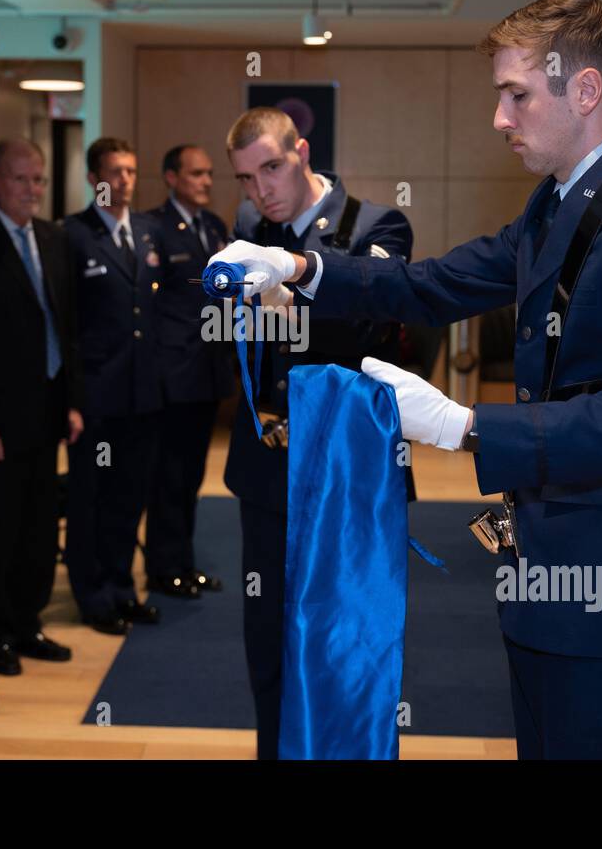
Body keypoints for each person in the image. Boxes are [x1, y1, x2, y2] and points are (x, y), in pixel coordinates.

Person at [214, 0, 602, 759]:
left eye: (516, 95)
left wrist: (467, 426)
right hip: (543, 571)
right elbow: (429, 286)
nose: (500, 118)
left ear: (584, 90)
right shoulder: (555, 205)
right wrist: (296, 262)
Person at [220, 106, 412, 759]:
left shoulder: (375, 225)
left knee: (347, 645)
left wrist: (290, 273)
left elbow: (368, 317)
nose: (260, 190)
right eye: (245, 179)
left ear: (302, 151)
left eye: (271, 167)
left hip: (347, 475)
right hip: (268, 468)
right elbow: (246, 351)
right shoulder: (249, 226)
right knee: (269, 643)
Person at [0, 139, 83, 674]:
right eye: (21, 179)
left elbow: (67, 326)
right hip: (0, 413)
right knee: (0, 527)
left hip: (48, 404)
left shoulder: (53, 237)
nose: (32, 190)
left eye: (38, 179)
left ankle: (27, 622)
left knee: (40, 526)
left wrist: (73, 402)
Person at [63, 138, 164, 634]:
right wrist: (73, 400)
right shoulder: (72, 236)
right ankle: (93, 593)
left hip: (142, 396)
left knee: (129, 496)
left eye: (130, 170)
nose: (123, 180)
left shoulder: (146, 232)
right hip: (98, 398)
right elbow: (67, 326)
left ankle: (123, 587)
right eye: (113, 171)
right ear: (93, 177)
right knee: (92, 499)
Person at [143, 144, 233, 598]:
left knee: (192, 474)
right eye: (196, 174)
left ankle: (183, 561)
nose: (206, 182)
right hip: (173, 372)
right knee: (168, 476)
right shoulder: (154, 228)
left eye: (210, 173)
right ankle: (163, 566)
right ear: (172, 177)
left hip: (208, 370)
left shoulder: (214, 226)